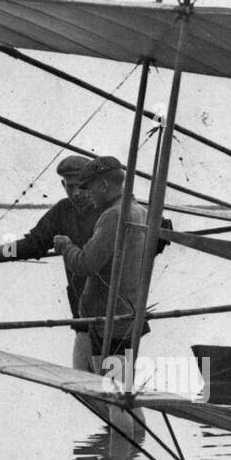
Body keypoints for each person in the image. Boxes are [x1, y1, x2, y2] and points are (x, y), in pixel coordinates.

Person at [0, 155, 100, 369]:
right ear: (62, 185)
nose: (76, 193)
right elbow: (32, 244)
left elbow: (149, 229)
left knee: (119, 391)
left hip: (117, 320)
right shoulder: (63, 212)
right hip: (84, 317)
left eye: (82, 187)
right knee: (84, 384)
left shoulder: (110, 211)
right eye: (70, 187)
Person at [52, 156, 152, 379]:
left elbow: (87, 264)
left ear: (104, 185)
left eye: (89, 188)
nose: (87, 194)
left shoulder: (113, 215)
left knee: (114, 396)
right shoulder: (139, 211)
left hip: (112, 323)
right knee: (120, 393)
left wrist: (66, 246)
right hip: (127, 317)